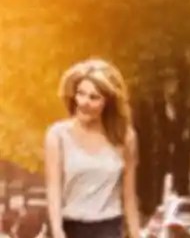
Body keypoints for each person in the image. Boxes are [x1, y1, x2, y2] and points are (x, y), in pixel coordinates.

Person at [44, 59, 141, 238]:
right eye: (80, 94)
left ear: (108, 103)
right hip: (69, 225)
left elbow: (128, 197)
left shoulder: (125, 137)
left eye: (94, 97)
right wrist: (57, 231)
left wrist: (136, 234)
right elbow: (54, 189)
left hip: (108, 227)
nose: (84, 102)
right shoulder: (57, 135)